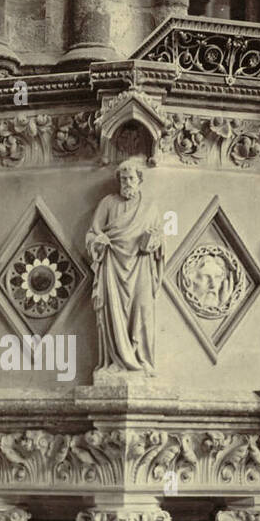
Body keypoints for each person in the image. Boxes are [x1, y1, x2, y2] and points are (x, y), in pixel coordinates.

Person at [85, 158, 164, 374]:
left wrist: (154, 242)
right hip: (113, 266)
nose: (127, 182)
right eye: (123, 179)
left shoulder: (150, 207)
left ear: (140, 180)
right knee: (112, 313)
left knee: (143, 311)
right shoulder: (108, 203)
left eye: (131, 178)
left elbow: (160, 238)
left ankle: (143, 359)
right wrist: (98, 242)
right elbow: (93, 233)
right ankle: (115, 361)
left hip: (141, 265)